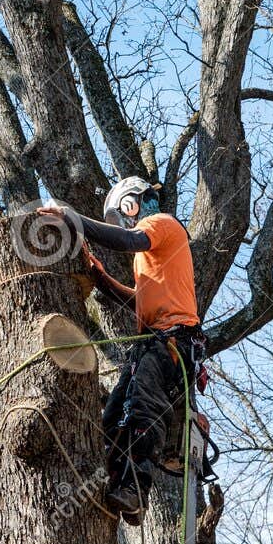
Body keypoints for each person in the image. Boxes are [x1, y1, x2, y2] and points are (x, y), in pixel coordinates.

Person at [35, 177, 202, 522]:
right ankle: (113, 482)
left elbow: (129, 240)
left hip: (173, 339)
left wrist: (72, 218)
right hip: (154, 340)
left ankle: (136, 488)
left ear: (131, 205)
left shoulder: (162, 223)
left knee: (143, 406)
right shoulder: (154, 263)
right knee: (112, 416)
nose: (124, 223)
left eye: (122, 217)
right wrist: (100, 278)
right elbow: (139, 303)